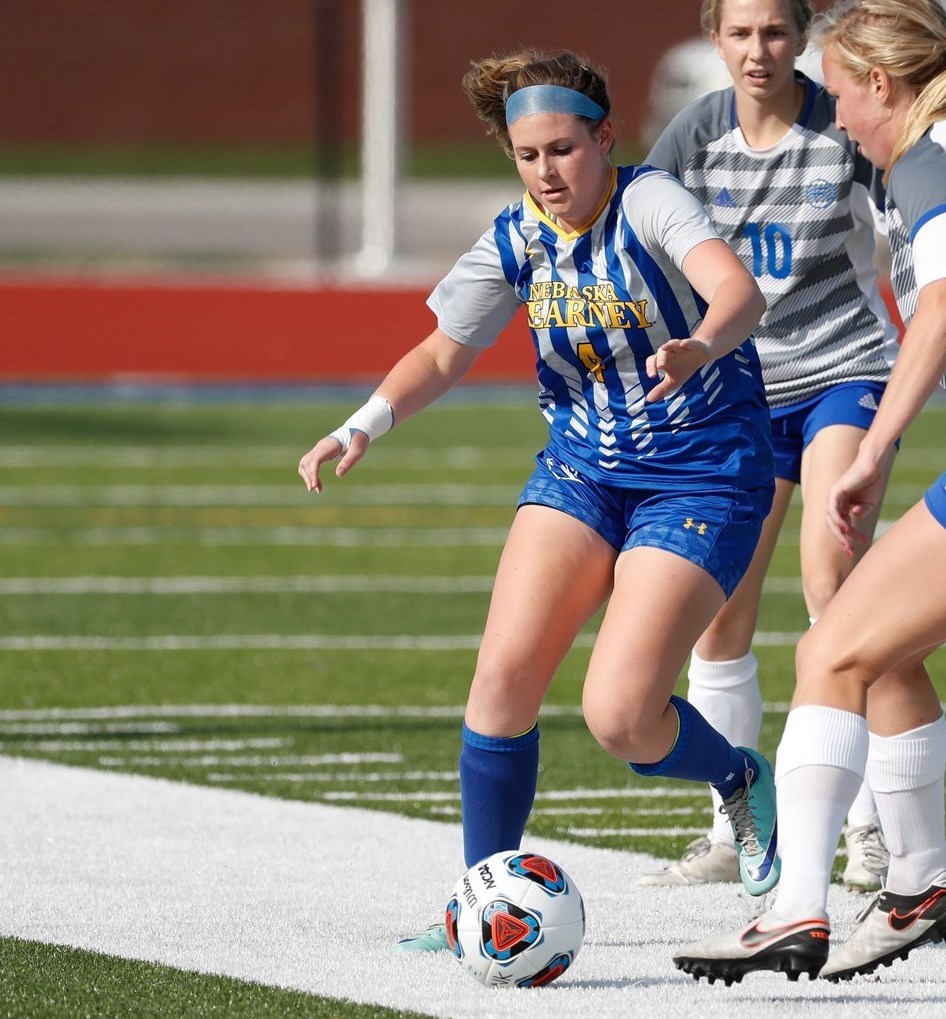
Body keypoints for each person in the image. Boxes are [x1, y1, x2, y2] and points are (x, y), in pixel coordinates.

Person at [298, 49, 781, 952]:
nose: (546, 172)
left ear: (605, 137)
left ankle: (738, 775)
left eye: (562, 149)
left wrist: (700, 346)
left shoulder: (650, 202)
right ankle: (481, 901)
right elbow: (444, 350)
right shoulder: (517, 236)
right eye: (527, 155)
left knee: (623, 716)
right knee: (500, 682)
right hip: (580, 472)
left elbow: (737, 292)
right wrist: (365, 421)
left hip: (702, 472)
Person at [673, 0, 946, 984]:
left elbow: (944, 307)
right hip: (771, 392)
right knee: (874, 639)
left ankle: (795, 911)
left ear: (881, 86)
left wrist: (872, 447)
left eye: (837, 91)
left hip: (844, 388)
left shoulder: (921, 156)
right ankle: (917, 881)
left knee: (833, 642)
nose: (832, 113)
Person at [639, 0, 901, 893]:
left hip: (845, 371)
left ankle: (870, 831)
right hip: (743, 389)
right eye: (740, 33)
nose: (759, 51)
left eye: (777, 32)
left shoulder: (845, 123)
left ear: (805, 37)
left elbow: (912, 208)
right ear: (714, 39)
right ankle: (738, 828)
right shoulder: (694, 135)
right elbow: (636, 235)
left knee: (833, 580)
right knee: (721, 609)